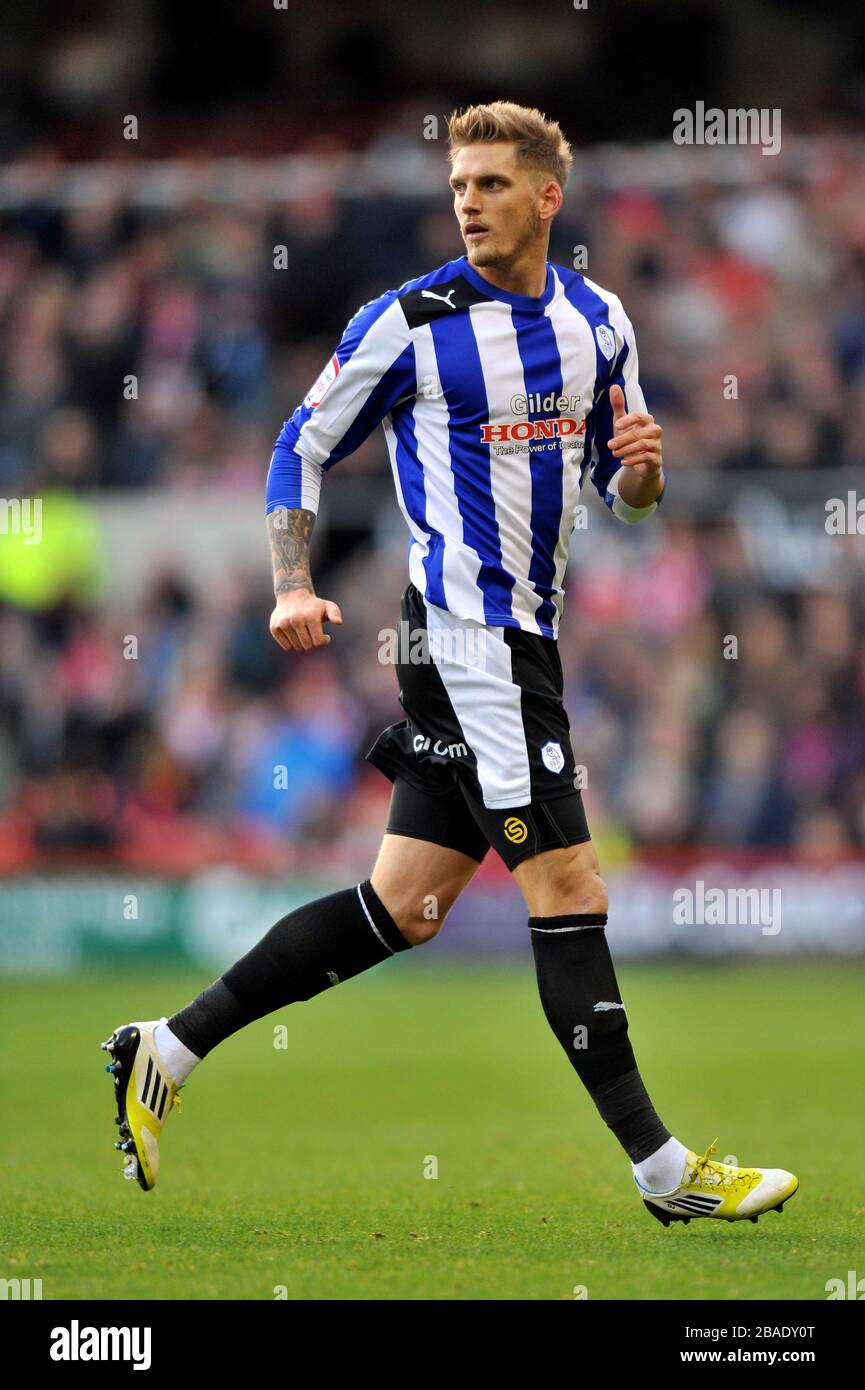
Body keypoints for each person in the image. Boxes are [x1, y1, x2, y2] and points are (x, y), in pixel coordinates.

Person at [102, 102, 797, 1227]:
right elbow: (301, 441)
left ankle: (166, 1047)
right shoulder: (410, 322)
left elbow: (618, 492)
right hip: (465, 643)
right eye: (458, 184)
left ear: (545, 198)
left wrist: (645, 475)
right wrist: (290, 579)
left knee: (407, 903)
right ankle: (666, 1175)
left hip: (526, 635)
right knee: (568, 886)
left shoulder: (599, 321)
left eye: (489, 183)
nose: (467, 201)